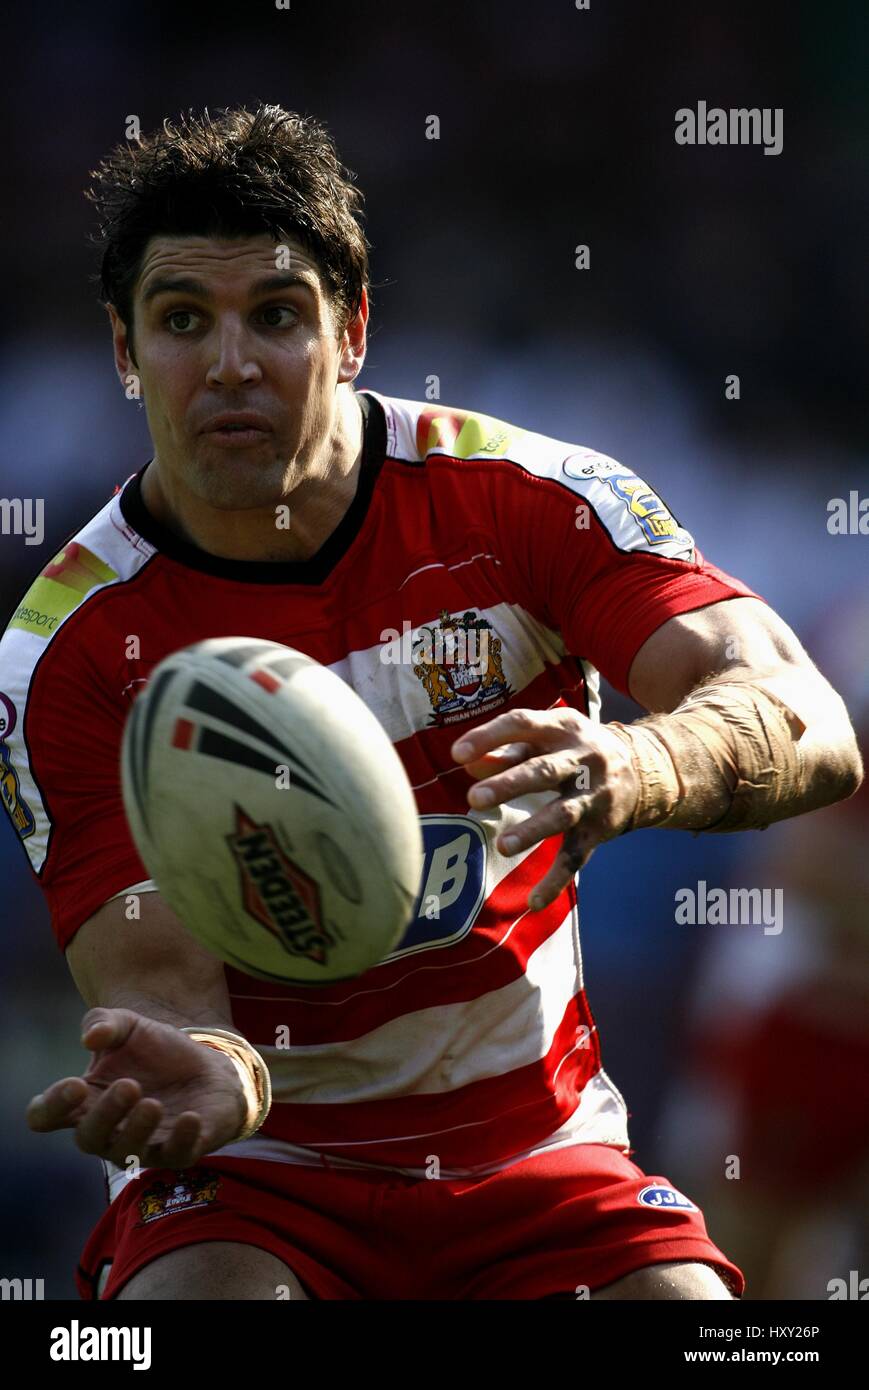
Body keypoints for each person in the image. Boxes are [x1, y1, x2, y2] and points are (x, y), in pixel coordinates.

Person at [0, 104, 861, 1302]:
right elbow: (158, 980)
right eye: (183, 320)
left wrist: (628, 769)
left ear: (352, 332)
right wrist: (208, 1071)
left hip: (538, 1151)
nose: (232, 363)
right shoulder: (68, 649)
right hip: (260, 1176)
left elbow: (802, 716)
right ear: (123, 350)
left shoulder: (526, 502)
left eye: (279, 316)